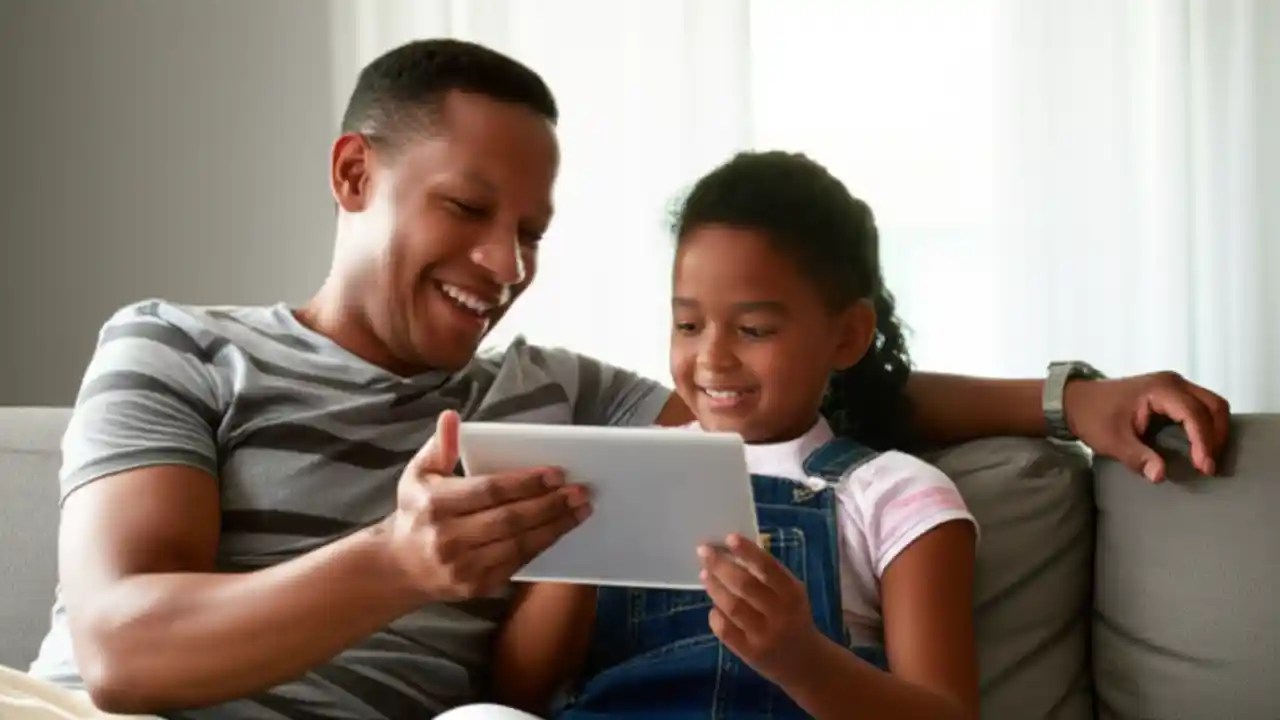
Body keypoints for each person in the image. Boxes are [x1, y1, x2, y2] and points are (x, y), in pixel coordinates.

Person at [0, 38, 1229, 720]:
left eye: (531, 228)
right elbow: (120, 649)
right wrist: (397, 562)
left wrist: (1066, 401)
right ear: (353, 174)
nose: (505, 264)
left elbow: (781, 396)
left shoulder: (548, 397)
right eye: (470, 209)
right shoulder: (177, 347)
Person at [486, 151, 979, 719]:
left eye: (753, 330)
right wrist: (581, 549)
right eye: (688, 326)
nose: (712, 359)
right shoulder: (627, 465)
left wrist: (802, 661)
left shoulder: (894, 493)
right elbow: (517, 692)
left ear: (847, 336)